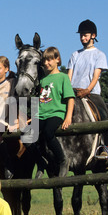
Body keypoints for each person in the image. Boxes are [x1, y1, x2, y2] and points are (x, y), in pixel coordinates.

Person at [26, 47, 75, 179]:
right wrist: (33, 117)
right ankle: (41, 162)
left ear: (57, 59)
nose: (46, 63)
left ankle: (63, 160)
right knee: (26, 136)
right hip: (41, 115)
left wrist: (68, 117)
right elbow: (39, 99)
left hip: (56, 114)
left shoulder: (63, 77)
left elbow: (70, 98)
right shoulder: (42, 80)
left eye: (49, 60)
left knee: (48, 133)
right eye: (44, 61)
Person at [67, 19, 108, 163]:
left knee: (104, 116)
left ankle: (104, 150)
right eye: (81, 35)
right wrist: (67, 90)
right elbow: (69, 75)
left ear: (93, 35)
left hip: (91, 93)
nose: (82, 38)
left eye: (85, 35)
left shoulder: (99, 55)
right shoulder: (75, 54)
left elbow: (96, 75)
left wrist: (87, 90)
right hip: (73, 92)